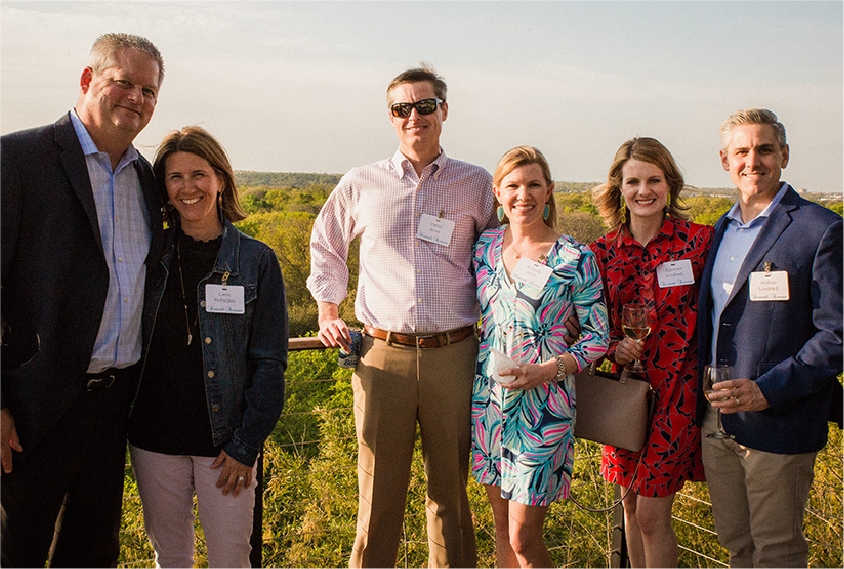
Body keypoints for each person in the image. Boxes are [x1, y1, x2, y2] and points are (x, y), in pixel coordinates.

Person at [307, 65, 495, 568]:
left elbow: (499, 257)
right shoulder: (361, 181)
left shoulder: (477, 183)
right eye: (402, 108)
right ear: (390, 117)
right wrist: (328, 309)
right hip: (380, 356)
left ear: (444, 111)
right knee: (378, 497)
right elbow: (326, 243)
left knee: (450, 496)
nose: (414, 116)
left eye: (425, 105)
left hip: (454, 354)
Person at [0, 33, 164, 567]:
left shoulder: (147, 180)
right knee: (16, 553)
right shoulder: (17, 159)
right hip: (30, 413)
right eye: (124, 82)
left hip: (113, 410)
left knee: (91, 555)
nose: (136, 98)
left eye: (149, 90)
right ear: (87, 79)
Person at [127, 126, 288, 567]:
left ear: (220, 179)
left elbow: (270, 363)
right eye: (175, 177)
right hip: (153, 441)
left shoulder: (256, 260)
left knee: (231, 559)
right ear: (164, 188)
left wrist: (245, 445)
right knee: (170, 559)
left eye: (198, 174)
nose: (188, 187)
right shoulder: (148, 255)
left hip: (225, 446)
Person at [697, 108, 844, 568]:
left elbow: (837, 335)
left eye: (764, 149)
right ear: (725, 160)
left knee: (777, 553)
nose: (752, 161)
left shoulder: (820, 229)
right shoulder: (718, 231)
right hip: (716, 420)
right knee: (737, 547)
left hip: (779, 420)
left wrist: (767, 391)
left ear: (784, 155)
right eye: (741, 151)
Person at [472, 146, 608, 568]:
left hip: (545, 409)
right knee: (501, 530)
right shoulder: (483, 248)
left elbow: (598, 338)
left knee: (523, 538)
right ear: (498, 193)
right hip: (489, 405)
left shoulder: (575, 257)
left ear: (548, 191)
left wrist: (547, 370)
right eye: (513, 185)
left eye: (533, 185)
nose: (523, 195)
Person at [590, 137, 713, 569]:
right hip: (624, 396)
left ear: (670, 184)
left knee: (650, 513)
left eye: (654, 180)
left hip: (678, 395)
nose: (644, 190)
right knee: (629, 506)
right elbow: (590, 324)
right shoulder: (601, 252)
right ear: (619, 188)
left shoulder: (699, 243)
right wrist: (613, 347)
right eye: (634, 181)